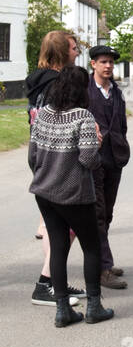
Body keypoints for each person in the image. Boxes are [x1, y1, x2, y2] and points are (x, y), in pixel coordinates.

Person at [28, 64, 114, 328]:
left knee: (58, 247)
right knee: (91, 247)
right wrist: (97, 147)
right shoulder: (83, 118)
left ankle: (63, 310)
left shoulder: (42, 115)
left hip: (44, 193)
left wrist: (48, 173)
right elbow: (88, 160)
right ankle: (95, 307)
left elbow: (32, 157)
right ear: (82, 89)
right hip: (75, 194)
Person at [27, 31, 85, 306]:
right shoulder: (57, 84)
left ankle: (54, 282)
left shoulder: (36, 82)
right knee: (65, 226)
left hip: (41, 158)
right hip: (59, 160)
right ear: (63, 52)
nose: (77, 52)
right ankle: (46, 283)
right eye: (73, 48)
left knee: (54, 225)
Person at [88, 45, 130, 290]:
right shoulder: (85, 91)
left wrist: (122, 144)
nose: (108, 66)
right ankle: (103, 267)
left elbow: (121, 124)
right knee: (98, 214)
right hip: (93, 159)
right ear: (93, 63)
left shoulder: (116, 92)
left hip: (114, 158)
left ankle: (101, 260)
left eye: (111, 63)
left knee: (108, 213)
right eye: (103, 62)